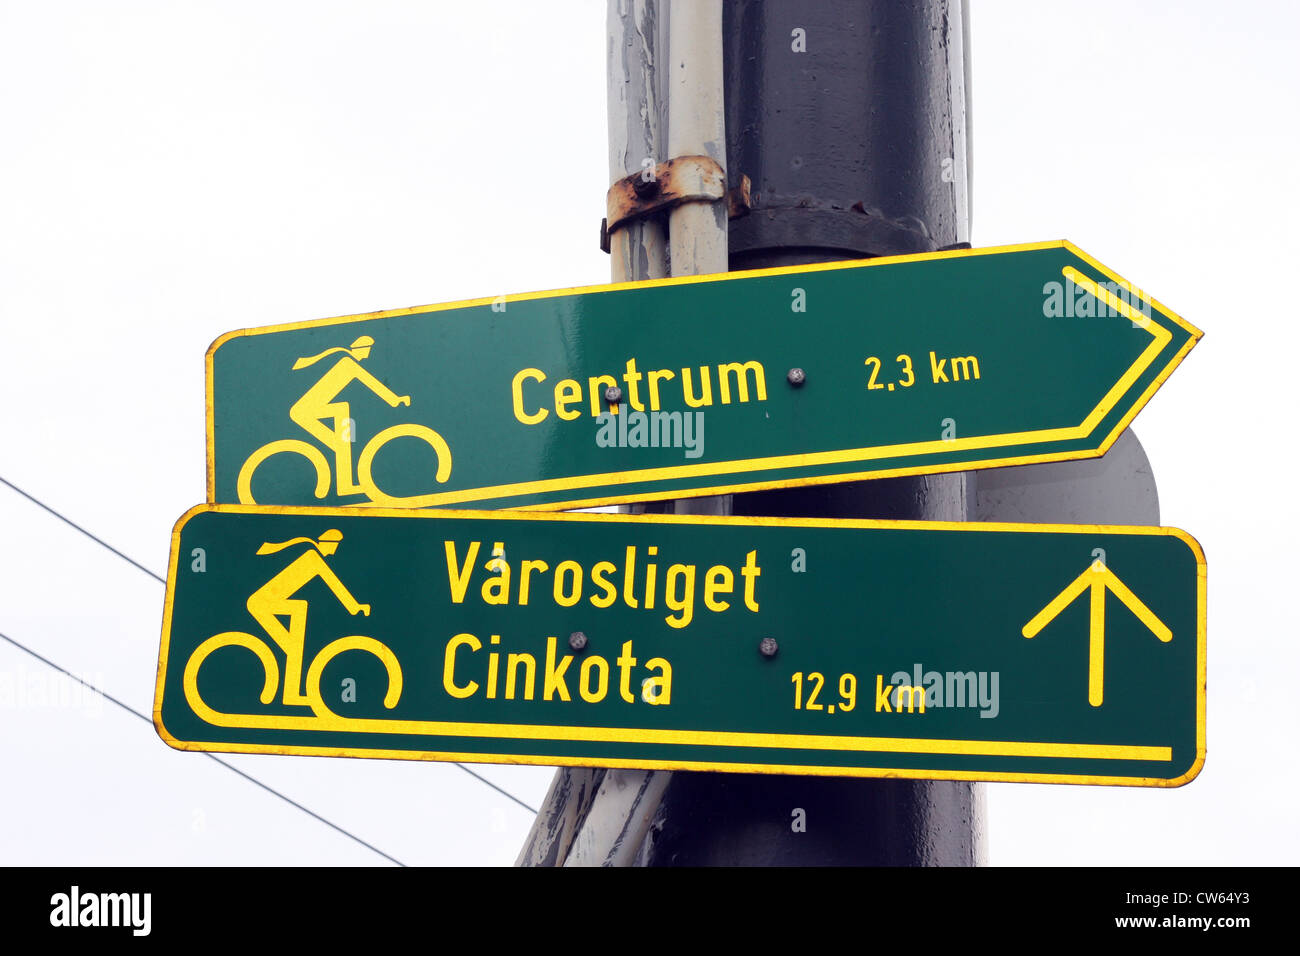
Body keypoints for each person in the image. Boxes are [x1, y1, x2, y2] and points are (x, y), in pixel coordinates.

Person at [245, 530, 370, 706]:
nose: (334, 550)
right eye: (334, 546)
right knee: (298, 618)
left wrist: (354, 606)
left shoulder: (312, 555)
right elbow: (332, 583)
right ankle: (291, 694)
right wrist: (354, 606)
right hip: (262, 604)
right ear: (327, 543)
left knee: (296, 629)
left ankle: (289, 688)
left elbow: (331, 583)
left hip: (270, 604)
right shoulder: (313, 557)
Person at [288, 335, 410, 495]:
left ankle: (341, 471)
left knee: (345, 435)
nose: (368, 354)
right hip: (305, 412)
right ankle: (345, 485)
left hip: (313, 411)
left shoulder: (347, 362)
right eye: (368, 350)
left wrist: (394, 400)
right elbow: (369, 382)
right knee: (343, 422)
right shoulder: (348, 363)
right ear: (361, 349)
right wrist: (394, 399)